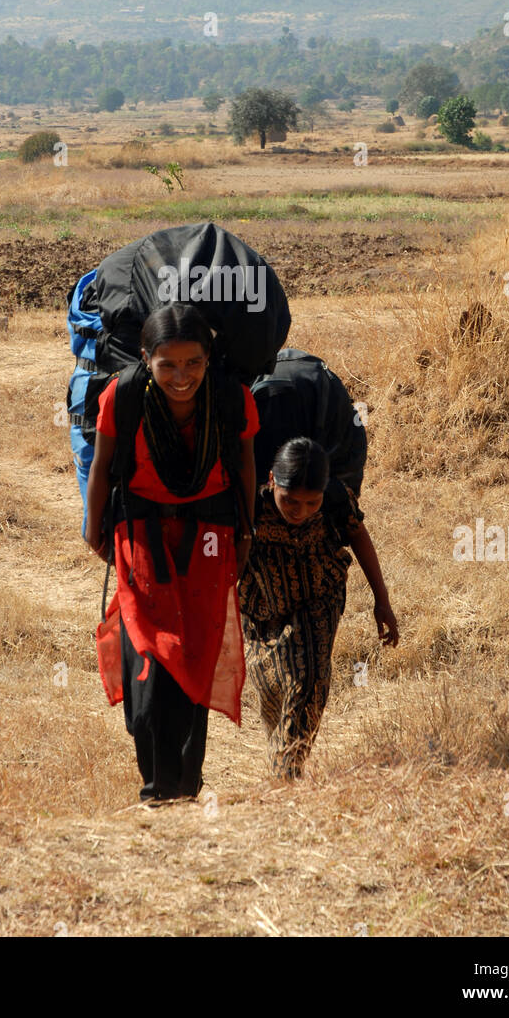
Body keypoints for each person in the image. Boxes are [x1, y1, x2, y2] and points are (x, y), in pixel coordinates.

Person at [84, 302, 259, 804]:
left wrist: (245, 534)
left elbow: (245, 465)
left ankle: (182, 781)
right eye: (168, 366)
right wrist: (93, 526)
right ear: (146, 359)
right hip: (142, 527)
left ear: (210, 359)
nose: (182, 377)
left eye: (194, 364)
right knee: (150, 644)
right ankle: (157, 777)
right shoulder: (124, 395)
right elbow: (103, 464)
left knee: (197, 647)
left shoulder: (231, 398)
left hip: (209, 529)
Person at [238, 436, 398, 780]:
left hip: (319, 598)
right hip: (260, 606)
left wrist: (381, 601)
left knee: (308, 679)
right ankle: (283, 755)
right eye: (291, 501)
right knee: (272, 693)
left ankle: (287, 779)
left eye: (312, 503)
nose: (301, 512)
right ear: (271, 480)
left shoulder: (337, 500)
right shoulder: (250, 504)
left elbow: (359, 538)